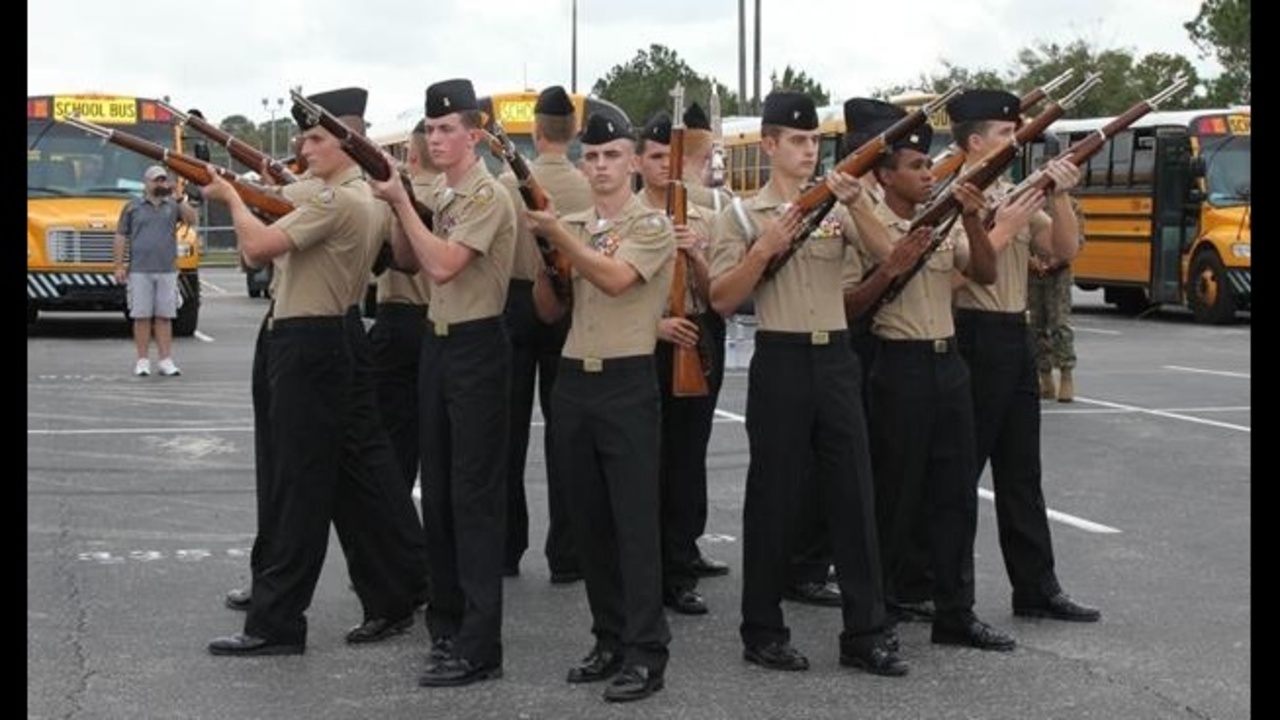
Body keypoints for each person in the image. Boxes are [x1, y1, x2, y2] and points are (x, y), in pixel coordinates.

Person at [203, 86, 427, 657]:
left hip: (308, 343)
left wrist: (229, 197)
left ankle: (277, 621)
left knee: (298, 484)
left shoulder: (334, 201)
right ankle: (400, 589)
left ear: (350, 144)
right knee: (364, 479)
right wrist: (252, 178)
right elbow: (288, 189)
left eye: (317, 137)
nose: (305, 145)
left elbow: (254, 248)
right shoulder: (363, 196)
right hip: (339, 337)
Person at [707, 90, 906, 677]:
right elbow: (721, 299)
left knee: (853, 495)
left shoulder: (840, 206)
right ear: (769, 144)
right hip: (782, 357)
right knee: (774, 498)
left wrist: (858, 204)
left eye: (814, 141)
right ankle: (763, 629)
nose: (807, 150)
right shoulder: (741, 216)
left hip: (837, 357)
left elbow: (892, 257)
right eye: (796, 141)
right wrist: (762, 251)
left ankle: (866, 632)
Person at [842, 97, 1013, 654]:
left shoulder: (941, 217)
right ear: (885, 176)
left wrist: (968, 216)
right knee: (897, 495)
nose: (927, 173)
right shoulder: (868, 221)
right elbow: (878, 274)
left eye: (928, 165)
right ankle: (883, 610)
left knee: (955, 495)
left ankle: (955, 611)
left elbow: (984, 271)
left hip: (947, 363)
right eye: (915, 167)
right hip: (901, 365)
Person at [369, 77, 516, 688]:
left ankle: (481, 645)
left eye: (447, 128)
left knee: (474, 499)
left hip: (479, 347)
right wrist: (400, 200)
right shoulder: (446, 197)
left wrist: (403, 202)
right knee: (441, 495)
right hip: (439, 343)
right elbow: (407, 260)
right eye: (430, 129)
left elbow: (444, 266)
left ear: (474, 135)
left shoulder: (488, 195)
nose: (435, 138)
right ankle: (448, 628)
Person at [524, 110, 674, 703]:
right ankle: (609, 638)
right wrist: (547, 261)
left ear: (634, 162)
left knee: (634, 524)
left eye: (613, 155)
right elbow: (547, 311)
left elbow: (615, 279)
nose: (602, 165)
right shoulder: (575, 222)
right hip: (573, 380)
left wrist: (559, 237)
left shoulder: (653, 225)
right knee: (588, 523)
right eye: (592, 156)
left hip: (626, 381)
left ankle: (646, 651)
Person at [948, 89, 1101, 624]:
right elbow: (958, 271)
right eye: (1005, 133)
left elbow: (1061, 252)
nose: (1016, 141)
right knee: (958, 475)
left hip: (1014, 331)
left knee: (1021, 474)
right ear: (974, 141)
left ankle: (1036, 587)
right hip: (969, 333)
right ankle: (945, 596)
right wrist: (999, 223)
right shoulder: (950, 194)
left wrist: (1058, 195)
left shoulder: (1014, 189)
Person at [495, 85, 592, 583]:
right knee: (567, 434)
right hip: (570, 303)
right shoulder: (588, 185)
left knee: (507, 435)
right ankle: (567, 552)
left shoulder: (507, 184)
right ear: (574, 132)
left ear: (535, 131)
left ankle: (507, 547)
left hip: (514, 303)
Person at [633, 109, 717, 616]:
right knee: (644, 460)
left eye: (674, 156)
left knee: (687, 459)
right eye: (657, 155)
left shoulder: (706, 217)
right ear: (640, 162)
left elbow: (724, 295)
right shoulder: (625, 216)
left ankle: (680, 568)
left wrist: (698, 254)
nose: (666, 164)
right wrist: (652, 326)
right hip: (643, 339)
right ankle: (642, 568)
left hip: (695, 336)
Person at [677, 101, 731, 581]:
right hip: (692, 323)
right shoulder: (715, 206)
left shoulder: (712, 208)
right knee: (687, 447)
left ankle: (680, 546)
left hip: (695, 322)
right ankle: (679, 547)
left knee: (685, 445)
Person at [369, 118, 436, 491]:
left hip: (397, 320)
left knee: (395, 439)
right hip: (442, 324)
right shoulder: (452, 196)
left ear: (409, 154)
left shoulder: (385, 199)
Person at [113, 164, 197, 377]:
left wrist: (180, 199)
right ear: (146, 183)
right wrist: (119, 265)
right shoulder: (132, 207)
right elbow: (121, 235)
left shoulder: (173, 206)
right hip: (140, 270)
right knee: (141, 316)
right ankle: (142, 360)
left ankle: (165, 360)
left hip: (167, 269)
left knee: (164, 316)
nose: (160, 184)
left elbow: (192, 219)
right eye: (156, 180)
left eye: (163, 180)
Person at [1028, 186, 1083, 403]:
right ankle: (1045, 377)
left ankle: (1066, 374)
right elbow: (1021, 239)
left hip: (1059, 274)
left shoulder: (1072, 206)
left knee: (1060, 324)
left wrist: (1055, 261)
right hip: (1032, 274)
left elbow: (1077, 241)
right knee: (1036, 325)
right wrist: (1030, 262)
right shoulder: (1030, 205)